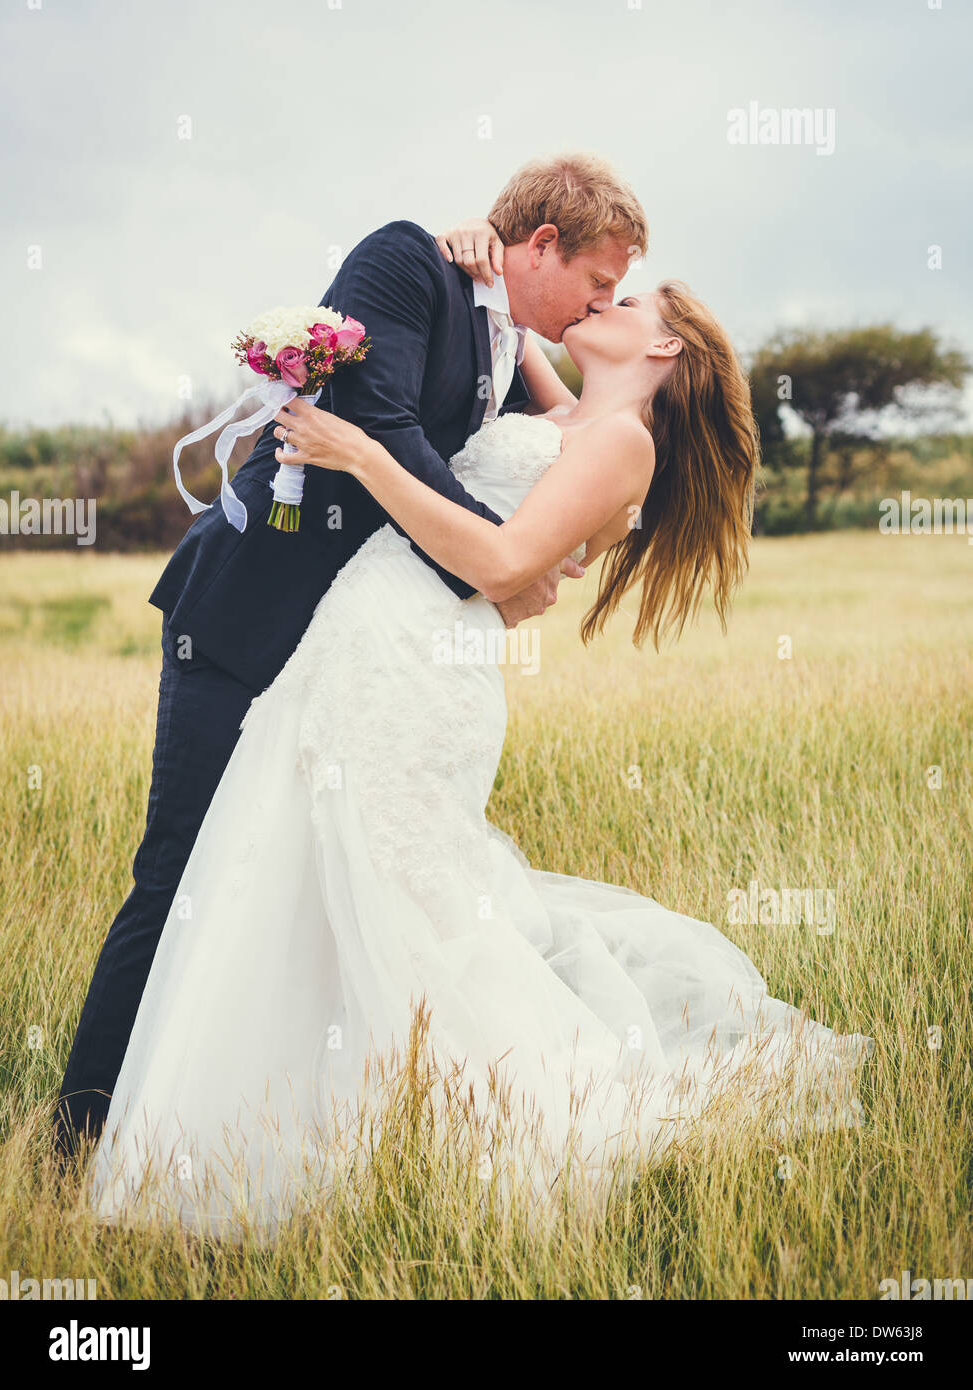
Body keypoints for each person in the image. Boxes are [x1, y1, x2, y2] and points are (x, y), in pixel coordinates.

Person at [86, 269, 872, 1235]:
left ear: (663, 349)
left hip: (421, 671)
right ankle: (297, 1119)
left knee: (397, 891)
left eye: (625, 305)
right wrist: (483, 255)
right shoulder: (575, 410)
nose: (600, 306)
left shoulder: (625, 443)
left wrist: (360, 455)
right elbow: (514, 343)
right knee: (300, 864)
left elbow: (501, 562)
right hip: (357, 639)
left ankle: (459, 1126)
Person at [53, 154, 648, 1160]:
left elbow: (543, 448)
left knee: (292, 883)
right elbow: (378, 424)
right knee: (180, 874)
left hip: (351, 655)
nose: (600, 302)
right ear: (539, 246)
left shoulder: (505, 340)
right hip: (244, 622)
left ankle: (257, 1124)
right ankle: (81, 1130)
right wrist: (496, 573)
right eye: (595, 281)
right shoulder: (404, 260)